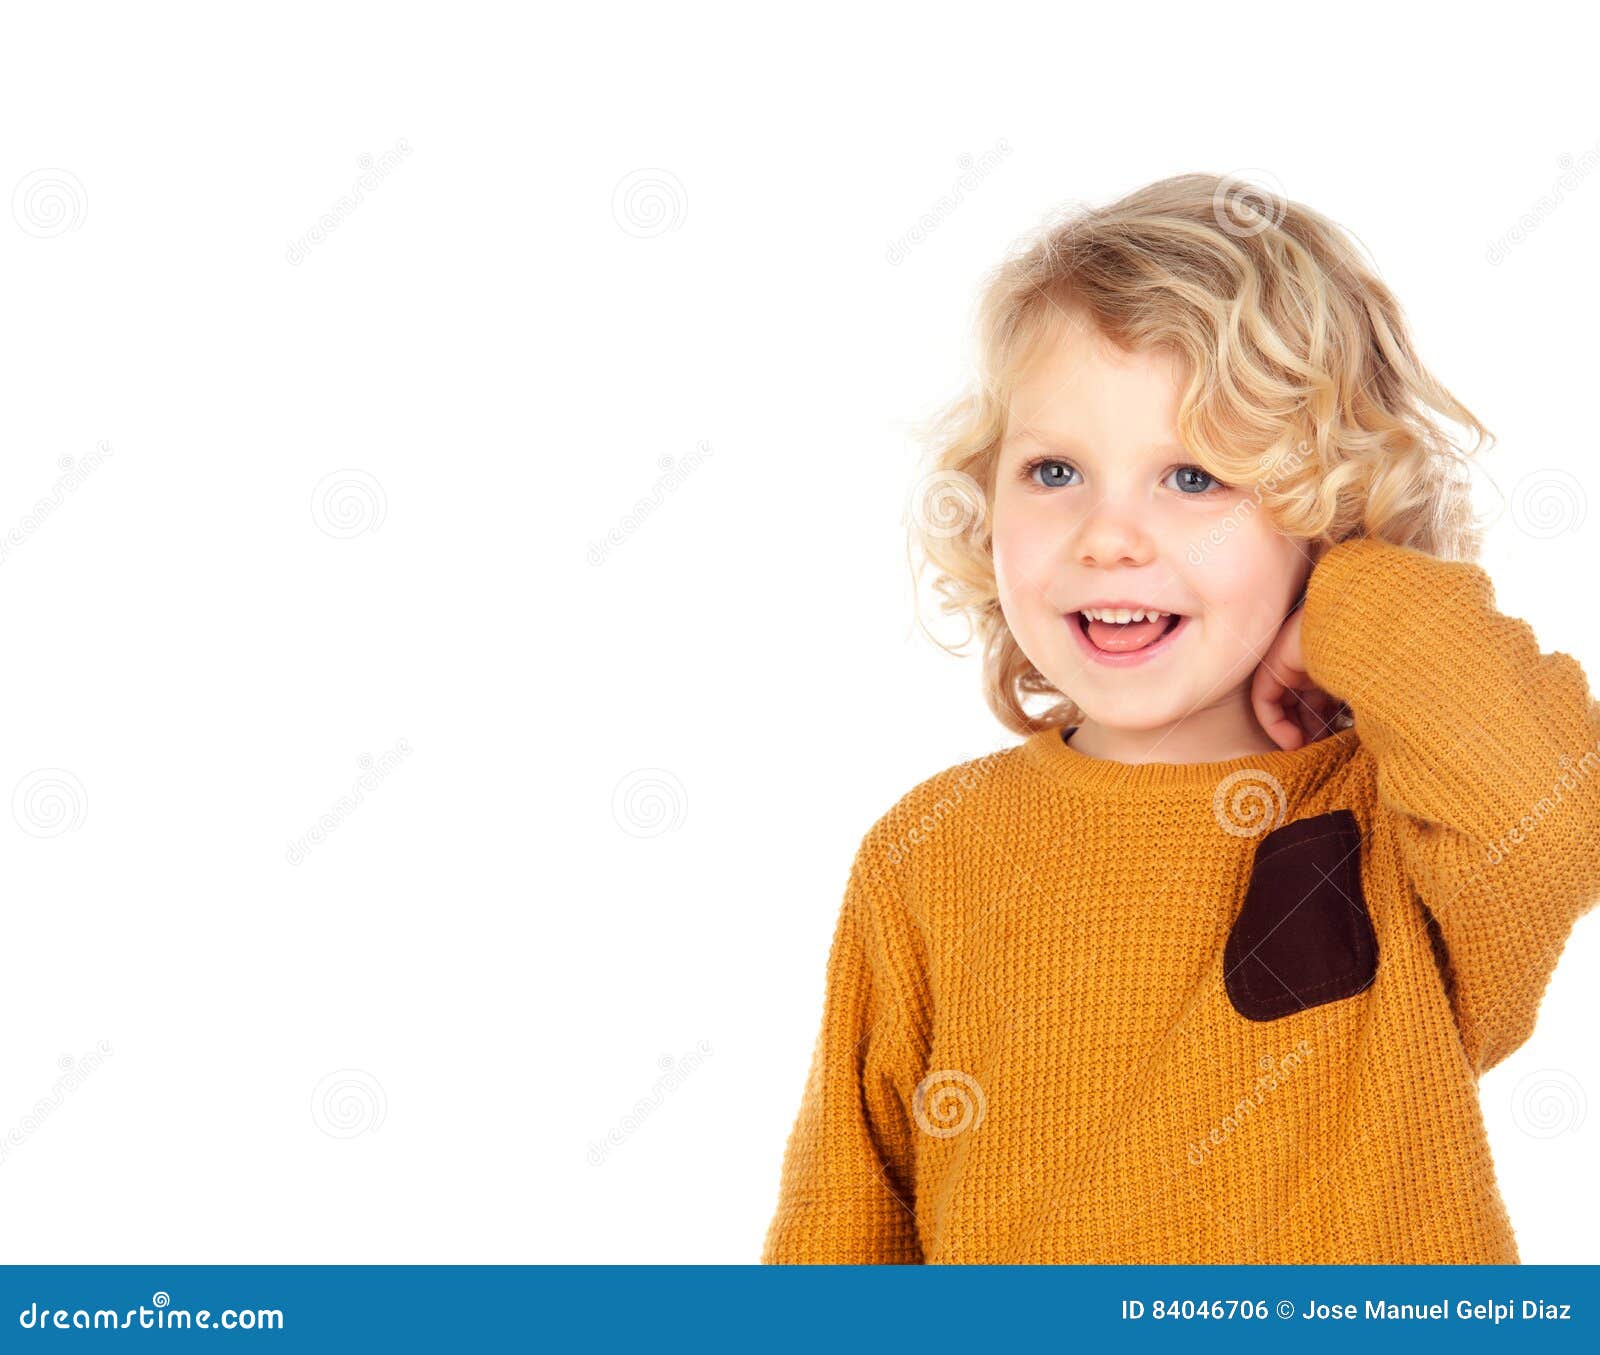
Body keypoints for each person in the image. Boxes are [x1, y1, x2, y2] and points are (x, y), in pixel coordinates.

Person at [760, 172, 1600, 1264]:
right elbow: (842, 1221)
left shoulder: (1403, 822)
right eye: (1054, 469)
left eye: (1195, 477)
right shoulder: (929, 851)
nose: (1108, 536)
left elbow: (1561, 798)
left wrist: (1343, 594)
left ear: (1331, 516)